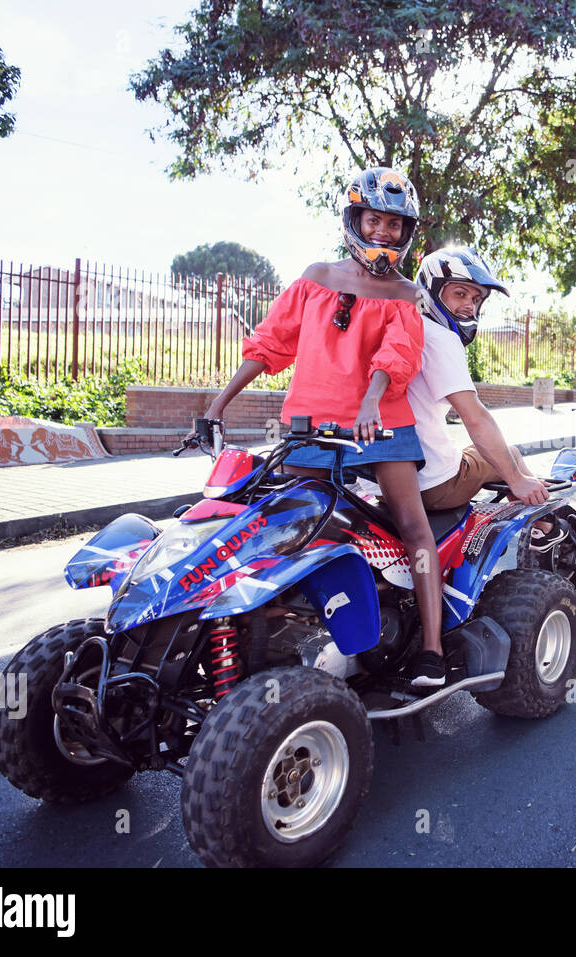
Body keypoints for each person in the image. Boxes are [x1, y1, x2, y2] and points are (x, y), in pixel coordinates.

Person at [198, 167, 448, 688]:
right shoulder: (315, 279)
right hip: (309, 431)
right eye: (374, 219)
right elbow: (269, 344)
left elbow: (397, 354)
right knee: (289, 531)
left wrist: (372, 402)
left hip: (381, 426)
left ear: (407, 233)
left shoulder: (407, 294)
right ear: (355, 220)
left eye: (395, 224)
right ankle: (278, 644)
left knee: (413, 525)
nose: (384, 231)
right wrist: (216, 406)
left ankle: (431, 648)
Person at [359, 245, 549, 512]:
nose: (469, 306)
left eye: (476, 299)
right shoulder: (441, 337)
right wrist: (517, 480)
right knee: (512, 455)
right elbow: (475, 418)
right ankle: (545, 531)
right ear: (433, 292)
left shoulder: (398, 326)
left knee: (472, 450)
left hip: (380, 487)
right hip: (433, 485)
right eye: (460, 294)